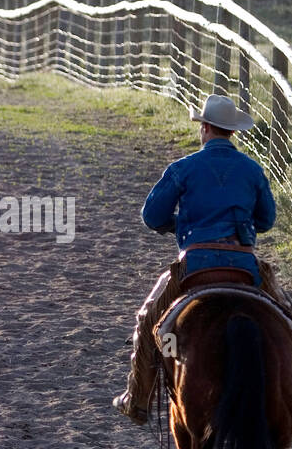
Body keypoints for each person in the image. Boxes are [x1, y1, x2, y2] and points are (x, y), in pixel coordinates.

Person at [113, 93, 277, 424]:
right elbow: (267, 220)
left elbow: (151, 215)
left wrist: (179, 225)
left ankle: (138, 399)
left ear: (204, 128)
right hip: (245, 266)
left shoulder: (183, 168)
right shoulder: (252, 169)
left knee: (148, 321)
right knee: (286, 319)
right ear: (232, 132)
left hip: (196, 264)